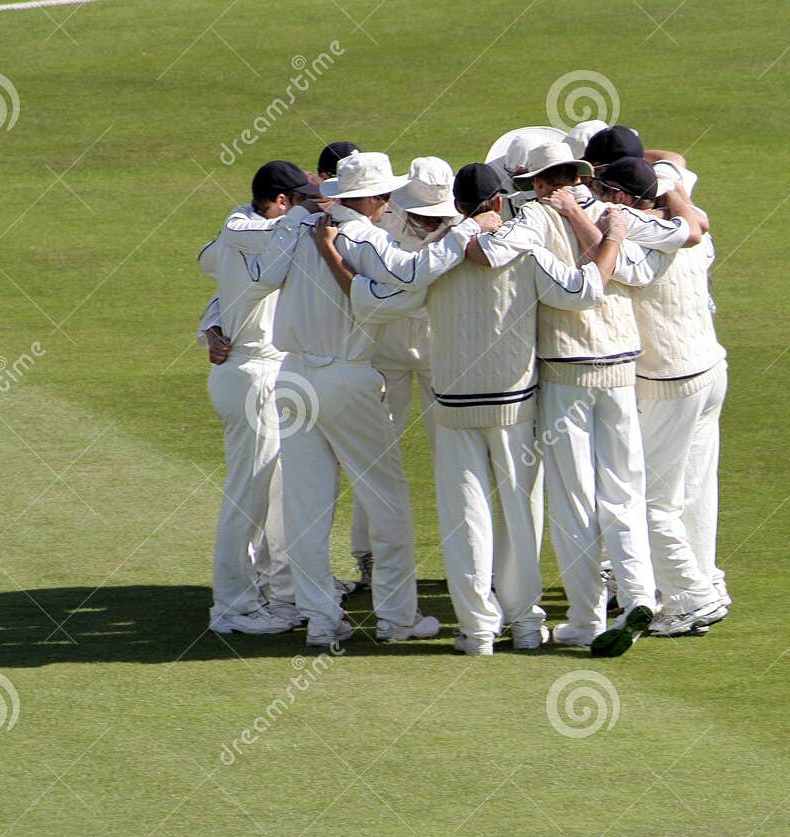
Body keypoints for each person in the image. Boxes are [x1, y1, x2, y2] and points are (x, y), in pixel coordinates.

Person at [319, 162, 632, 655]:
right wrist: (612, 238)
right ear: (498, 203)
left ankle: (478, 631)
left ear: (456, 207)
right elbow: (584, 291)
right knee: (520, 517)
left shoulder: (431, 255)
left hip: (454, 407)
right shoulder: (524, 251)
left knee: (464, 519)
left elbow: (377, 303)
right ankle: (525, 626)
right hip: (514, 405)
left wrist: (333, 256)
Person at [250, 151, 493, 647]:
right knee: (388, 502)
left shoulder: (300, 228)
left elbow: (260, 276)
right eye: (383, 196)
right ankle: (397, 619)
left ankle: (321, 620)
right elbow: (408, 273)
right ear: (371, 197)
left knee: (306, 505)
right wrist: (466, 233)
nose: (387, 205)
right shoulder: (360, 234)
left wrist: (300, 216)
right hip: (346, 377)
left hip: (293, 376)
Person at [473, 141, 690, 656]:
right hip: (619, 367)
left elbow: (493, 253)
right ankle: (637, 594)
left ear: (542, 182)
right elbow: (679, 232)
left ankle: (588, 618)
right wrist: (606, 230)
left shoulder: (530, 219)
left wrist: (473, 229)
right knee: (623, 491)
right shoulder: (614, 213)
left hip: (567, 373)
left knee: (574, 502)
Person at [592, 157, 728, 636]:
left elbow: (606, 265)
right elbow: (678, 174)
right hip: (709, 369)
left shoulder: (637, 239)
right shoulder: (691, 224)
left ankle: (692, 597)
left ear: (625, 197)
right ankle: (703, 581)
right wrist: (669, 183)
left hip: (672, 379)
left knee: (649, 500)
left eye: (603, 188)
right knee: (691, 490)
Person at [196, 160, 320, 636]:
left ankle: (270, 593)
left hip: (263, 371)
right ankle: (232, 608)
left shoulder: (252, 233)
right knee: (247, 498)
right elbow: (227, 249)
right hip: (252, 375)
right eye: (302, 202)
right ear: (282, 202)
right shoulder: (252, 232)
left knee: (273, 490)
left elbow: (215, 266)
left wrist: (211, 324)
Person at [347, 156, 457, 591]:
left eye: (437, 217)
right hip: (385, 352)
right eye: (421, 216)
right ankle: (368, 556)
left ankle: (465, 563)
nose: (430, 224)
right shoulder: (379, 226)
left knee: (453, 460)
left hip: (440, 353)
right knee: (375, 458)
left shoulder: (457, 224)